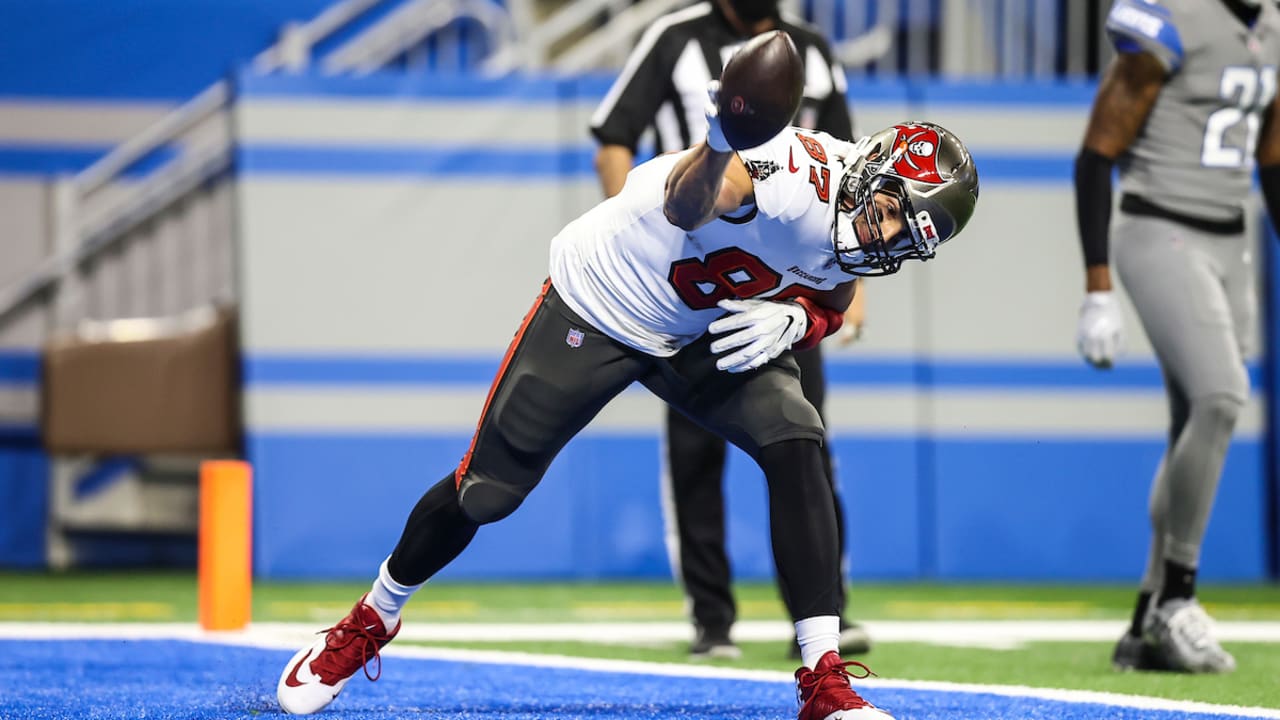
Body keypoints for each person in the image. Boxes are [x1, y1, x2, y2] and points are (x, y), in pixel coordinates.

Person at [275, 100, 979, 717]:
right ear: (870, 172)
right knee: (485, 493)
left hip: (697, 329)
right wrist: (718, 146)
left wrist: (801, 323)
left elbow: (829, 296)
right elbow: (689, 205)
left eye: (904, 239)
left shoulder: (858, 238)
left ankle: (825, 684)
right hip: (603, 303)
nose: (881, 238)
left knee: (796, 437)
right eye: (887, 213)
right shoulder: (791, 177)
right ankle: (372, 617)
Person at [589, 0, 869, 660]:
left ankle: (822, 611)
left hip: (787, 288)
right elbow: (614, 136)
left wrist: (850, 293)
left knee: (804, 442)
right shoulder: (675, 38)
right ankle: (712, 618)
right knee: (695, 454)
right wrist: (627, 235)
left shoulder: (812, 50)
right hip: (690, 280)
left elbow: (858, 182)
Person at [1073, 0, 1280, 674]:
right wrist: (1097, 288)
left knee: (1192, 420)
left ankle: (1144, 620)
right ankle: (1178, 600)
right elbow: (1094, 155)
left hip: (1231, 237)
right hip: (1159, 227)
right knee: (1222, 398)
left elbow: (1271, 160)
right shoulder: (1171, 17)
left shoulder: (1274, 27)